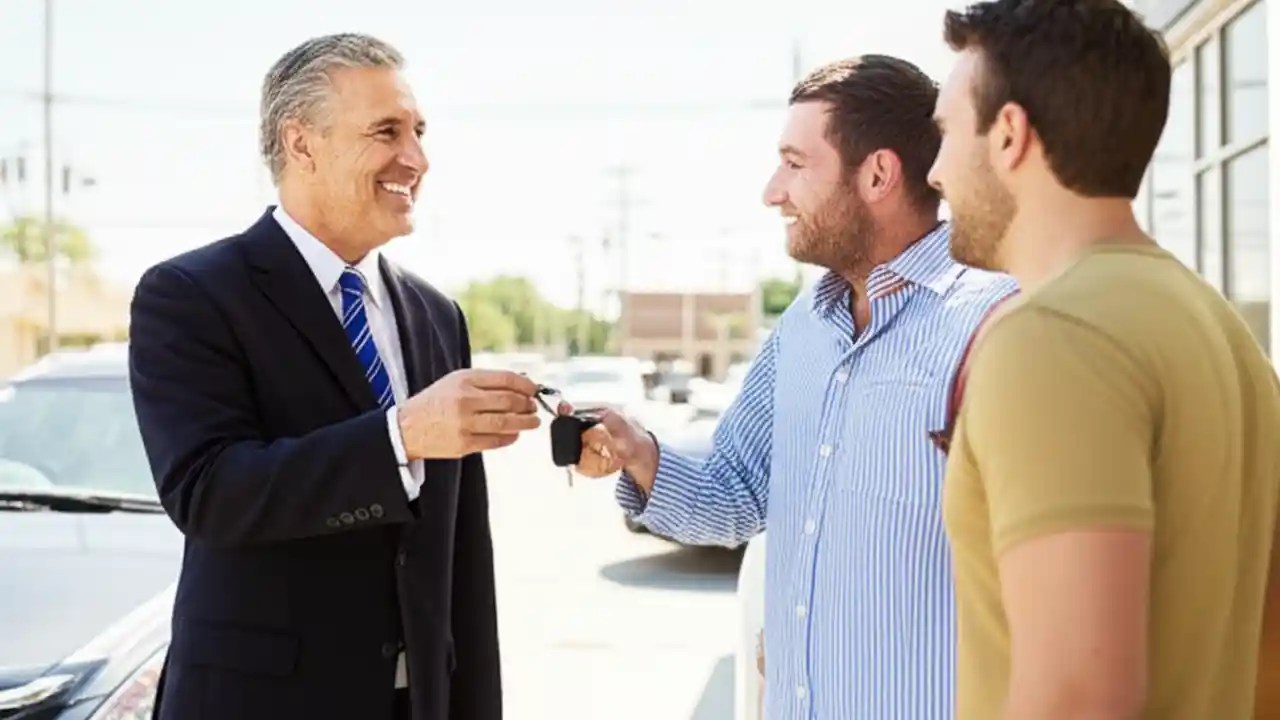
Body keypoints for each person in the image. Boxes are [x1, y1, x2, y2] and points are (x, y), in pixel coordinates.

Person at [571, 56, 1017, 718]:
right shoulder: (804, 326)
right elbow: (735, 492)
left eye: (795, 163)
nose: (772, 191)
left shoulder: (999, 322)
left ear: (877, 174)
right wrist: (641, 454)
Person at [127, 33, 541, 720]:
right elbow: (208, 494)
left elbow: (463, 561)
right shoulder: (191, 294)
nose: (416, 158)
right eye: (386, 132)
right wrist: (399, 438)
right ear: (302, 144)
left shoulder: (439, 316)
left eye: (418, 131)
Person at [927, 1, 1280, 717]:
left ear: (1009, 136)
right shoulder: (1225, 334)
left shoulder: (1051, 340)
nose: (934, 172)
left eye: (945, 134)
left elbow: (1080, 699)